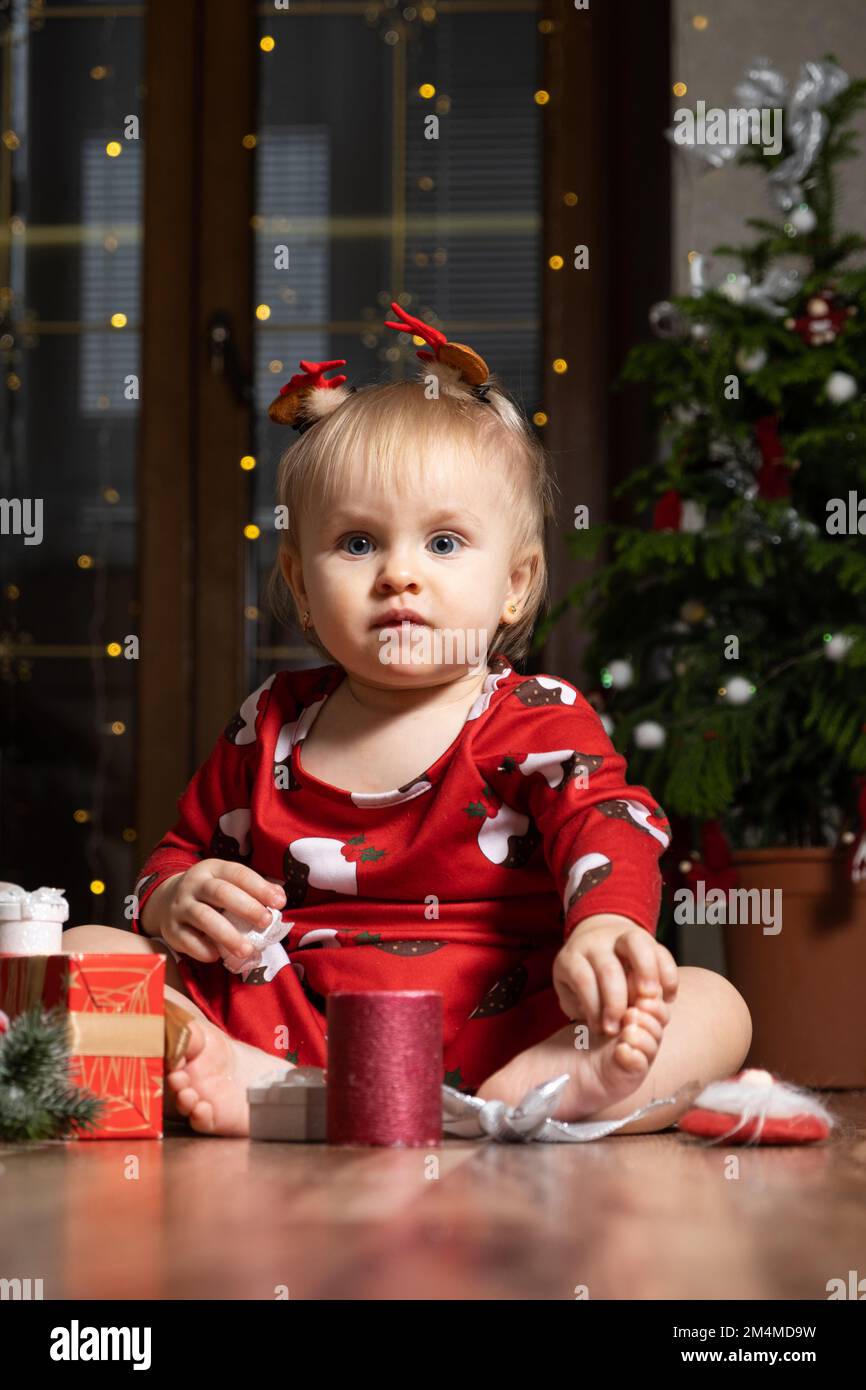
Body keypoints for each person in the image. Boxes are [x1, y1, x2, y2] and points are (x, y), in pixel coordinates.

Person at [63, 304, 751, 1137]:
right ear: (301, 584)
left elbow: (610, 822)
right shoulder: (270, 722)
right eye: (357, 544)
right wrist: (177, 895)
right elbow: (179, 851)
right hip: (288, 1017)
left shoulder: (535, 717)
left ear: (516, 584)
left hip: (504, 1020)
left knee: (716, 1005)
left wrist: (603, 926)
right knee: (88, 952)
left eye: (445, 544)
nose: (399, 575)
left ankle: (547, 1093)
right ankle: (280, 1090)